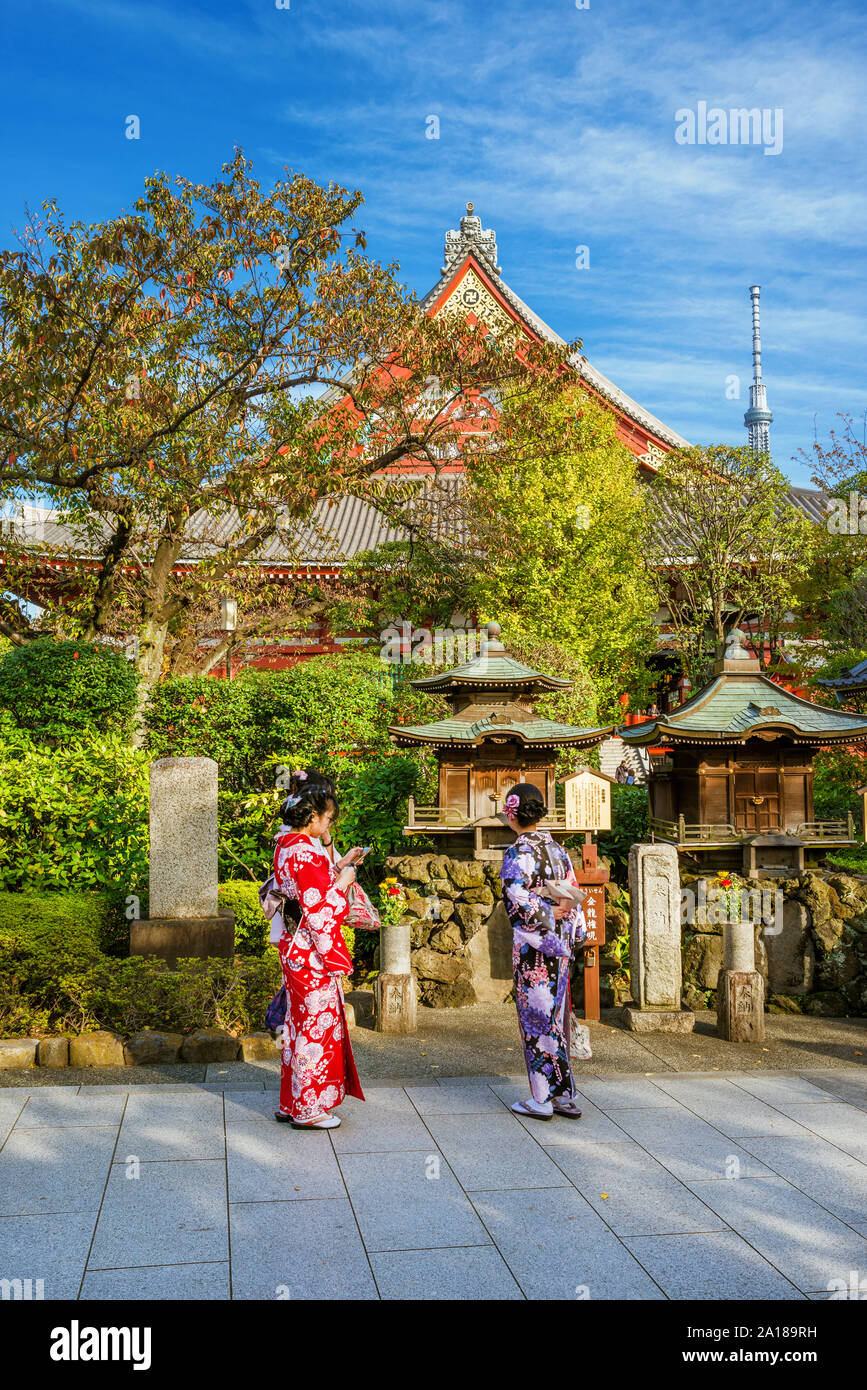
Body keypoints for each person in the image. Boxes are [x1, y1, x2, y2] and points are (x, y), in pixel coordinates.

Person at [272, 780, 366, 1129]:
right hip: (311, 952)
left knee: (296, 1026)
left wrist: (337, 864)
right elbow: (319, 910)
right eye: (326, 819)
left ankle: (290, 1101)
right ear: (311, 817)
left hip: (293, 945)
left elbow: (308, 891)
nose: (328, 825)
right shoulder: (305, 852)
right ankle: (308, 1109)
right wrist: (342, 883)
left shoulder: (286, 845)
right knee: (314, 1029)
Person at [499, 782, 587, 1120]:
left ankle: (541, 1099)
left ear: (512, 814)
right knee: (556, 1018)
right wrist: (569, 924)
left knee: (536, 1018)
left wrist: (546, 913)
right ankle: (563, 1093)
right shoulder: (557, 850)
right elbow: (574, 892)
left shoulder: (516, 852)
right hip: (560, 945)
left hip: (534, 948)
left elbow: (516, 897)